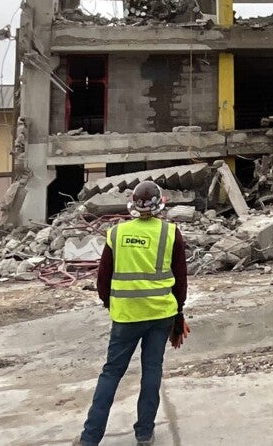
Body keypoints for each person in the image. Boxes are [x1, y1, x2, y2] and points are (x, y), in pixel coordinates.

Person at [72, 180, 189, 446]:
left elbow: (104, 277)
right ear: (161, 204)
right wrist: (178, 314)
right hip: (161, 315)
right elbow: (180, 280)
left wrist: (109, 303)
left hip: (126, 317)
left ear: (133, 205)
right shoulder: (170, 233)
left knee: (111, 373)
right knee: (151, 371)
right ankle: (144, 434)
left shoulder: (117, 233)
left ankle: (90, 438)